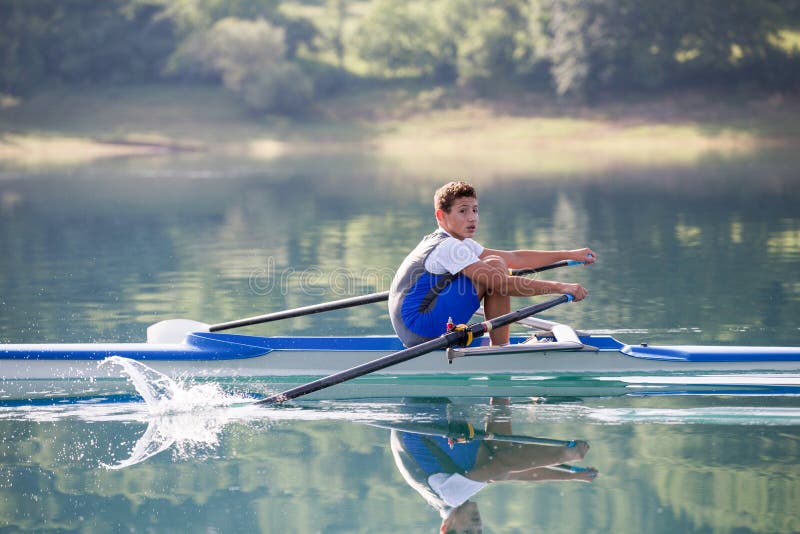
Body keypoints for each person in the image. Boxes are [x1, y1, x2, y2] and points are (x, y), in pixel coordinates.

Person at [389, 181, 595, 348]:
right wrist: (561, 287)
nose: (472, 218)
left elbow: (515, 258)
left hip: (414, 329)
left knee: (496, 264)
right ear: (441, 216)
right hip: (421, 330)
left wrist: (568, 254)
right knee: (495, 271)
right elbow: (502, 284)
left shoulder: (457, 243)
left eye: (475, 210)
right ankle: (500, 348)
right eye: (463, 211)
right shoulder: (449, 246)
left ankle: (498, 344)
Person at [390, 398, 597, 534]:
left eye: (468, 532)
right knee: (494, 467)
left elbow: (503, 465)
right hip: (416, 416)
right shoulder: (444, 496)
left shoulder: (450, 496)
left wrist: (564, 455)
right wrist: (570, 476)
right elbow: (509, 474)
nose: (476, 526)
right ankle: (501, 390)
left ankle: (502, 387)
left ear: (446, 527)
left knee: (496, 460)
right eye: (479, 532)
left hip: (419, 417)